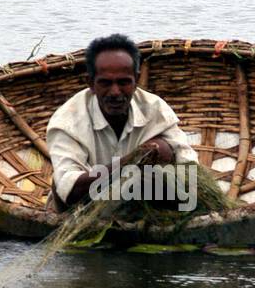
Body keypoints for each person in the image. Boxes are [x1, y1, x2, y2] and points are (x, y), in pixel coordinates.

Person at [45, 34, 198, 209]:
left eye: (123, 82)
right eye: (105, 83)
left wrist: (159, 155)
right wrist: (132, 161)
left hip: (142, 202)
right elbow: (69, 190)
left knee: (164, 149)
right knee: (59, 185)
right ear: (91, 84)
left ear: (136, 81)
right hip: (82, 208)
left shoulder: (156, 109)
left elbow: (190, 170)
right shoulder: (67, 122)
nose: (115, 92)